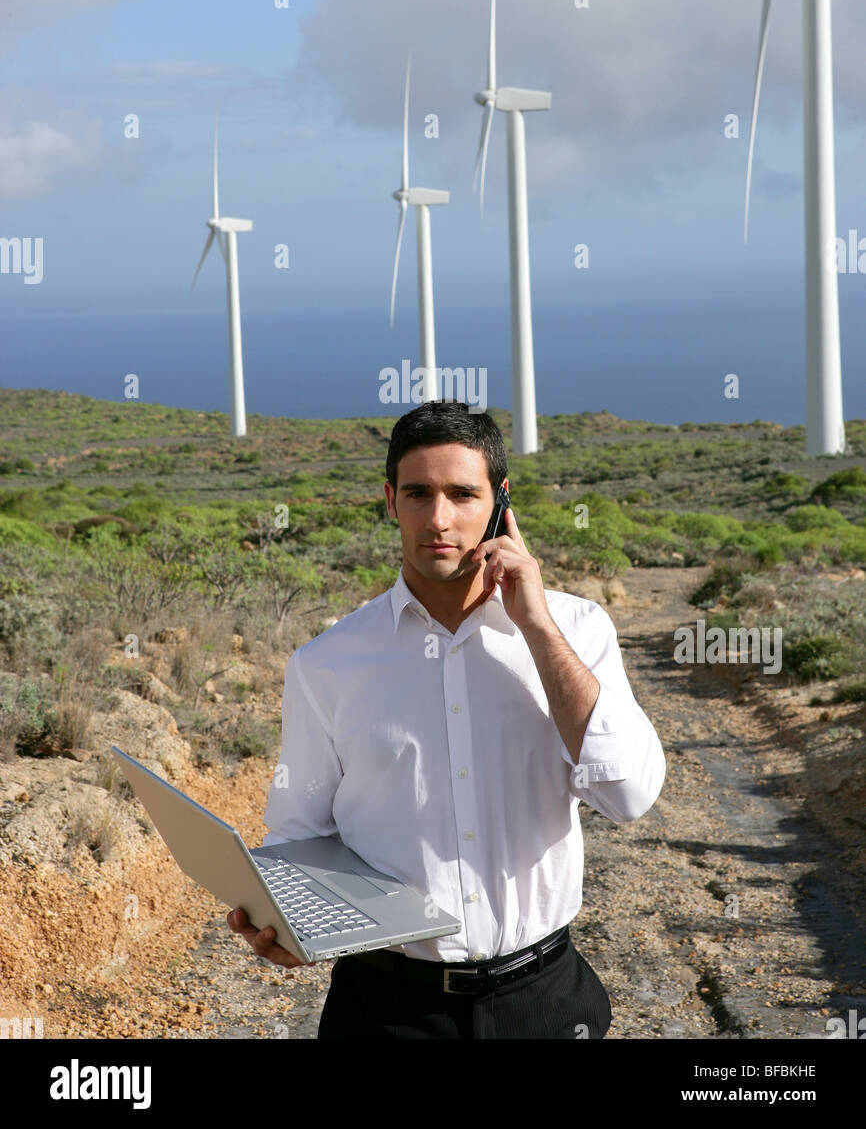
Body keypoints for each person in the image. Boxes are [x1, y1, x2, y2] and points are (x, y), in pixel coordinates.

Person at [227, 400, 666, 1038]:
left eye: (463, 494)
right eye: (418, 493)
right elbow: (301, 834)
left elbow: (626, 796)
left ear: (501, 503)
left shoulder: (577, 630)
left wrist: (536, 625)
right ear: (389, 501)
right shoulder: (326, 663)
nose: (439, 519)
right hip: (384, 1009)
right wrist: (287, 923)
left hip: (543, 1002)